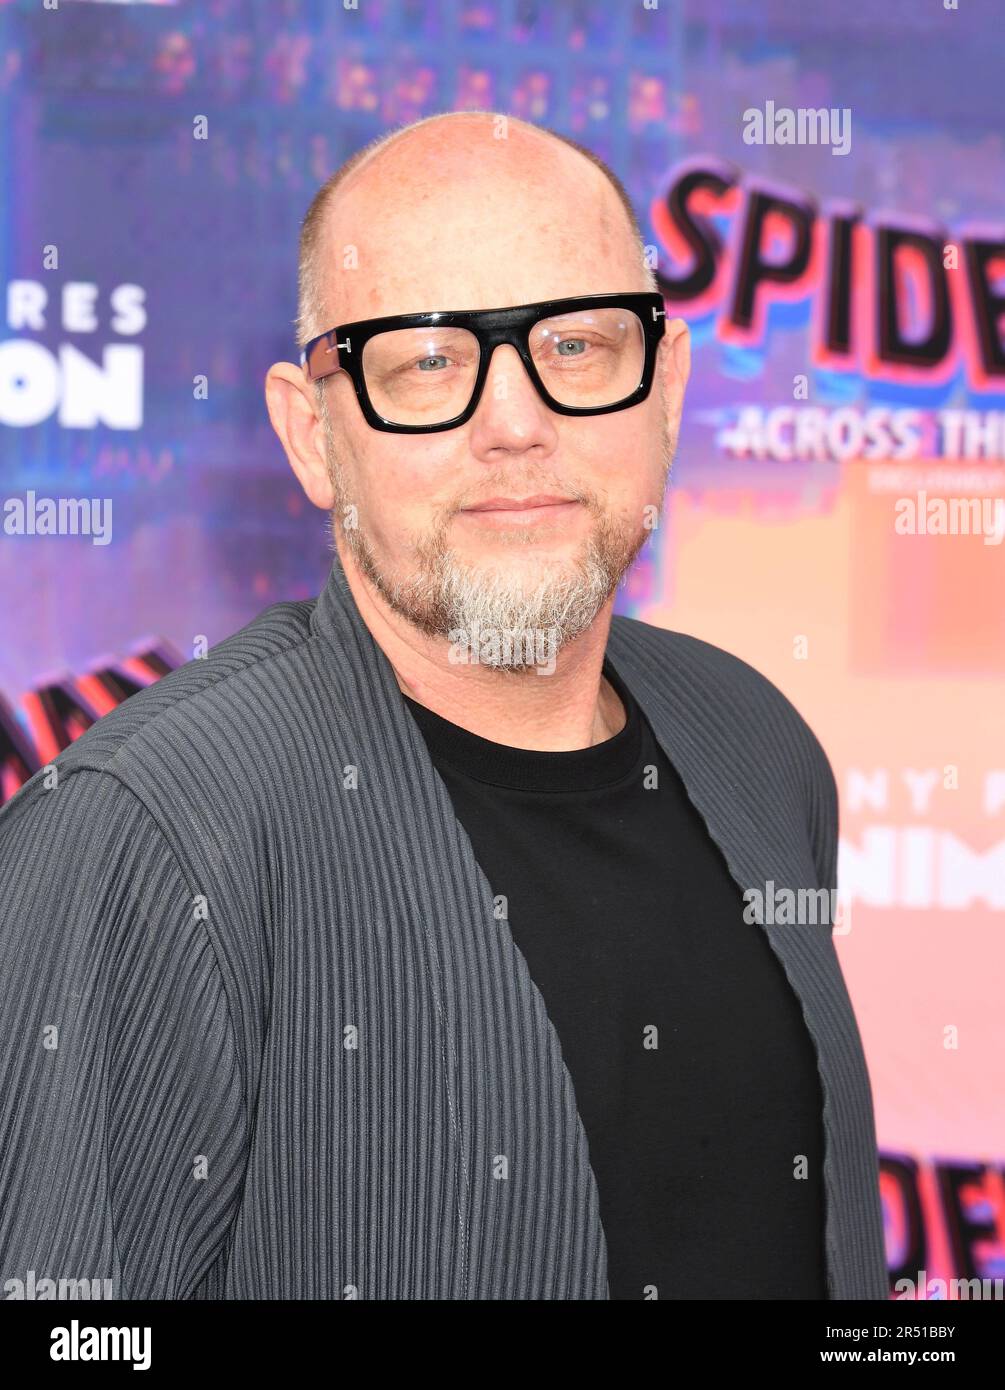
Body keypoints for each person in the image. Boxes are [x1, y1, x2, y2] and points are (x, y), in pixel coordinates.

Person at [0, 111, 887, 1300]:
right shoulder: (142, 838)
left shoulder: (757, 740)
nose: (515, 423)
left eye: (576, 346)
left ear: (665, 392)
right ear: (312, 433)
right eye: (427, 360)